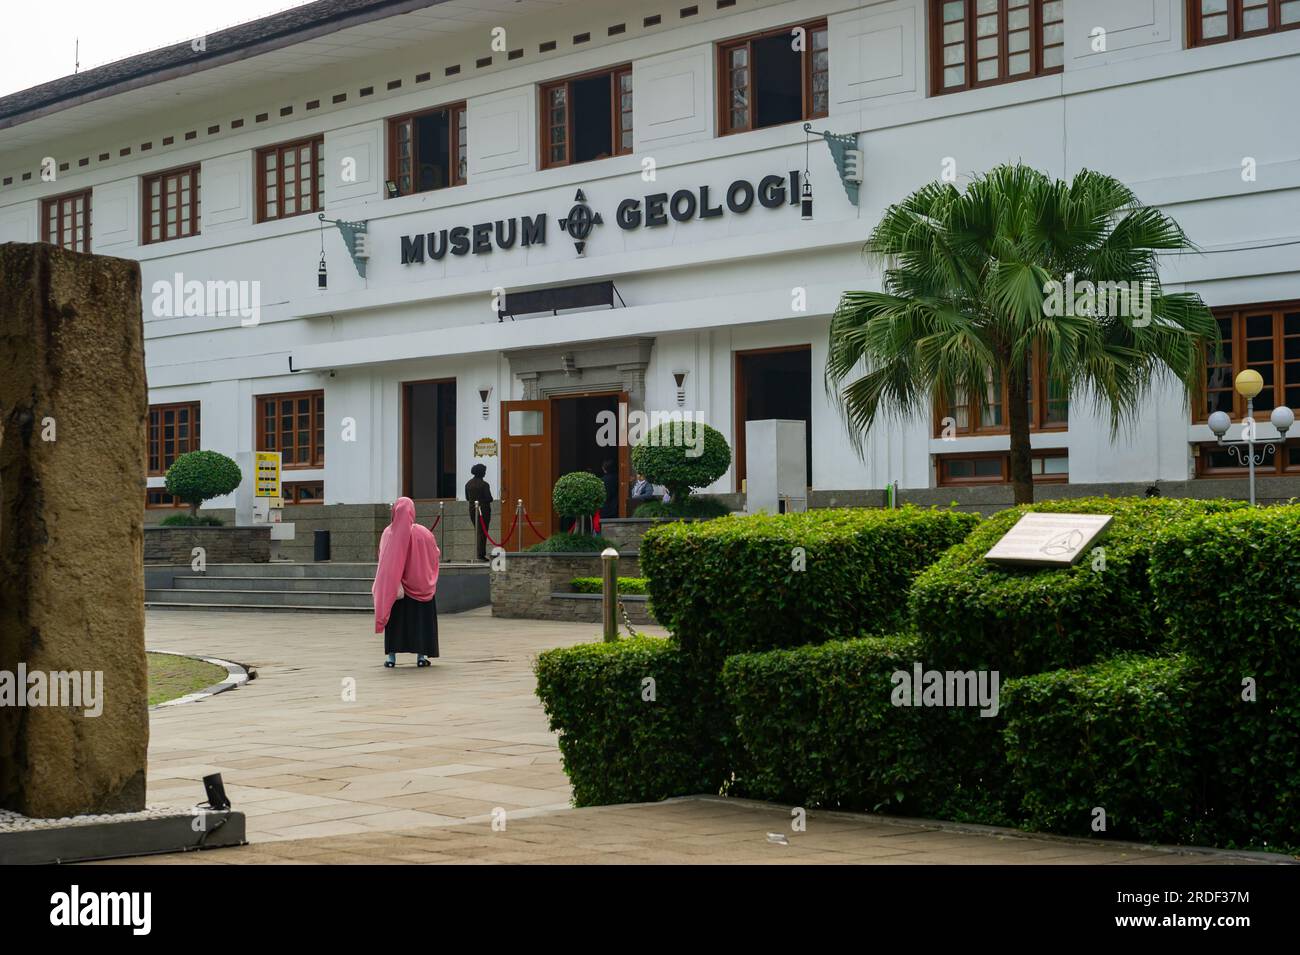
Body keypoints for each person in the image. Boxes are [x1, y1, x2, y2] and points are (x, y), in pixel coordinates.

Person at [372, 497, 440, 668]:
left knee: (395, 623)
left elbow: (383, 557)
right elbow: (435, 554)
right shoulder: (423, 532)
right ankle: (421, 656)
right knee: (420, 622)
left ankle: (391, 658)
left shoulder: (389, 532)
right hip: (422, 586)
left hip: (398, 588)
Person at [465, 463, 493, 561]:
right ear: (481, 472)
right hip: (483, 511)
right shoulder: (484, 485)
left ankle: (479, 553)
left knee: (478, 531)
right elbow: (489, 498)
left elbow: (467, 498)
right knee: (483, 532)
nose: (485, 473)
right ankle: (480, 554)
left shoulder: (468, 484)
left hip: (472, 509)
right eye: (484, 471)